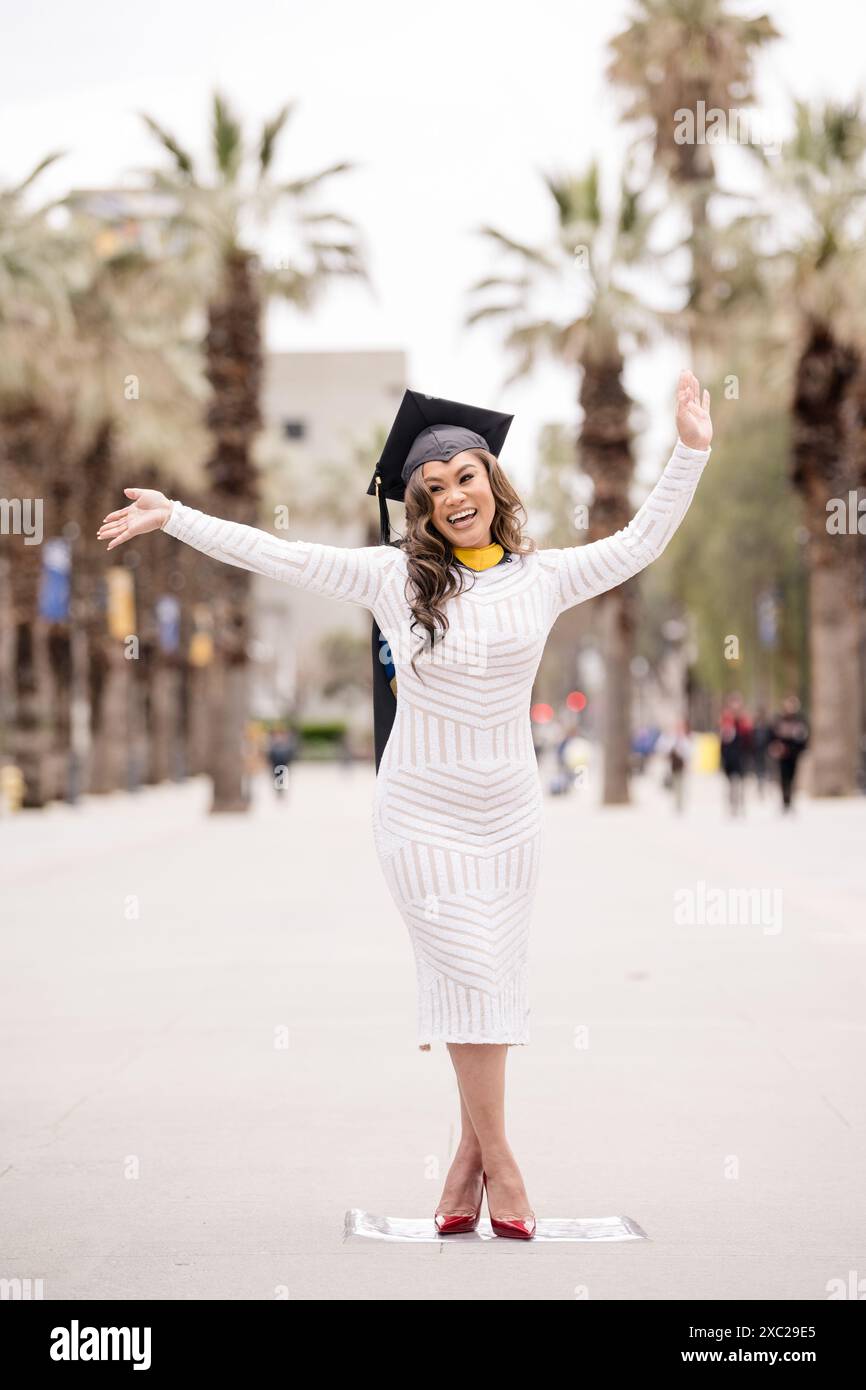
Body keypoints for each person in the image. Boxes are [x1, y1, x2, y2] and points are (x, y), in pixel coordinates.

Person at [96, 369, 713, 1241]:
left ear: (494, 487)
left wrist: (689, 448)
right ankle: (505, 1165)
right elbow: (280, 554)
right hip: (419, 815)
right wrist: (178, 517)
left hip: (509, 819)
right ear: (419, 510)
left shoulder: (545, 578)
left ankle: (463, 1166)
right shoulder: (396, 581)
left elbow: (644, 539)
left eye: (465, 478)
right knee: (467, 970)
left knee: (490, 984)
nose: (452, 497)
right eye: (432, 490)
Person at [768, 695, 810, 812]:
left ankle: (791, 800)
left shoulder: (800, 720)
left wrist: (801, 749)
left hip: (794, 754)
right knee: (783, 778)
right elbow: (772, 736)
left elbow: (804, 737)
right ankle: (784, 801)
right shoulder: (779, 720)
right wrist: (775, 747)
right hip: (782, 755)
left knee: (792, 778)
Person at [719, 693, 753, 817]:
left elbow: (749, 740)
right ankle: (732, 806)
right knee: (731, 783)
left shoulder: (745, 721)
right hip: (729, 758)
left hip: (741, 757)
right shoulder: (726, 720)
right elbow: (723, 741)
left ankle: (740, 805)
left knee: (740, 783)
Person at [656, 719, 692, 813]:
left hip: (681, 765)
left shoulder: (685, 739)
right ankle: (676, 803)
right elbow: (664, 749)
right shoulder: (671, 738)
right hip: (673, 765)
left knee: (680, 784)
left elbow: (688, 753)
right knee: (675, 784)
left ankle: (679, 804)